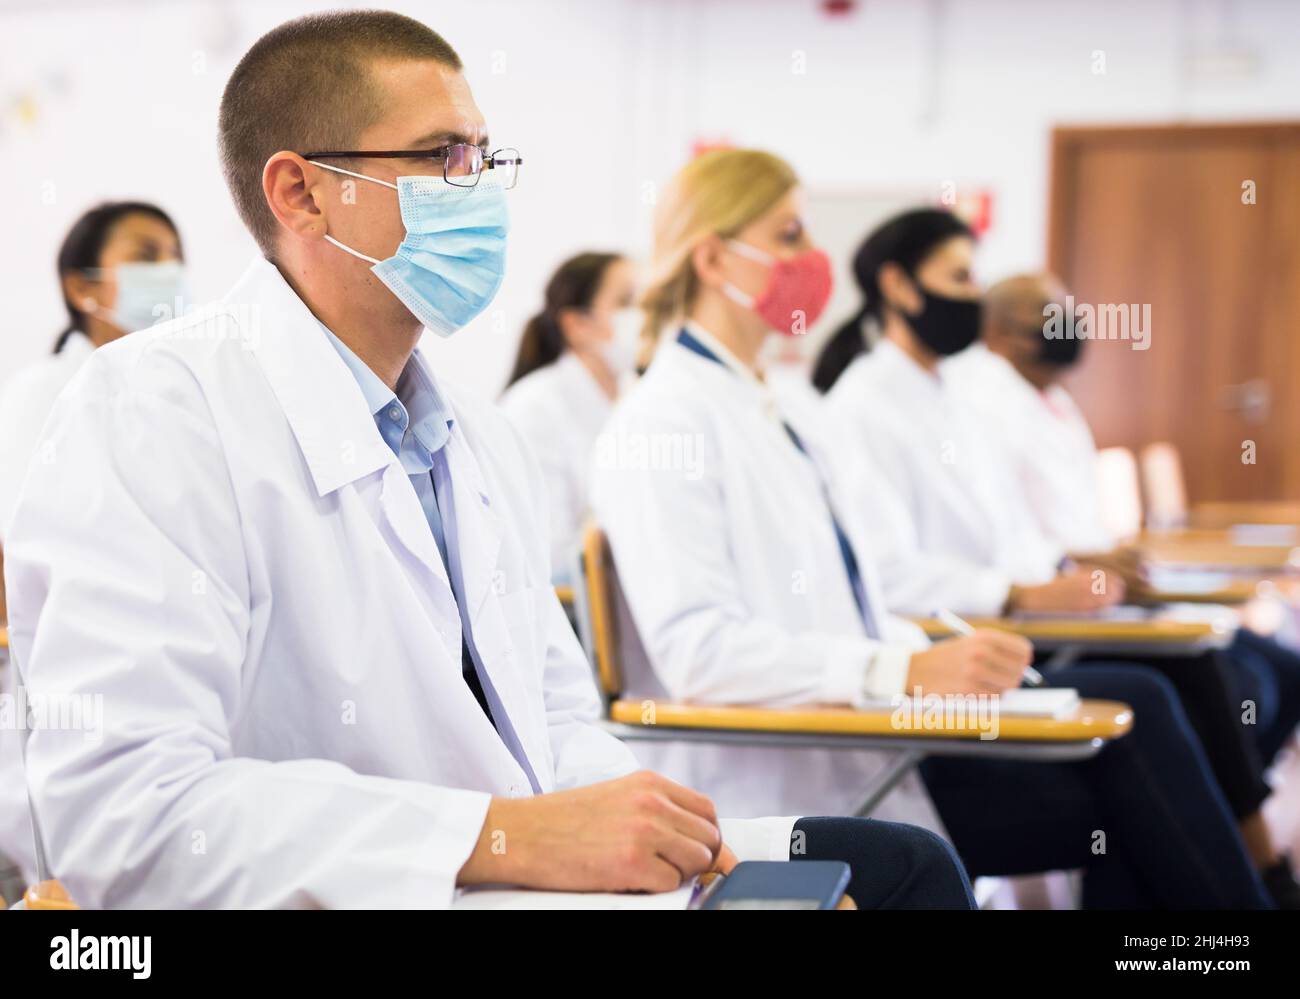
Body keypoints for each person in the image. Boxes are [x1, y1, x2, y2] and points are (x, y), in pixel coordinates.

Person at [3, 10, 973, 910]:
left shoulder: (470, 432)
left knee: (897, 870)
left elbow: (551, 730)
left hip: (513, 880)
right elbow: (127, 815)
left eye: (483, 156)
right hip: (386, 890)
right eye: (442, 157)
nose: (482, 192)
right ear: (300, 193)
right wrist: (503, 838)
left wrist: (667, 847)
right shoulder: (155, 412)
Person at [589, 147, 1276, 908]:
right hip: (789, 770)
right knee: (1138, 762)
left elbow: (861, 597)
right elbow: (698, 652)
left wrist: (952, 659)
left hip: (870, 735)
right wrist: (901, 673)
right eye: (788, 236)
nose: (811, 259)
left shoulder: (783, 403)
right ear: (714, 257)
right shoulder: (661, 423)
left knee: (1134, 738)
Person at [816, 211, 1299, 903]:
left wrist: (1065, 570)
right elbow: (890, 577)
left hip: (999, 627)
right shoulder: (862, 409)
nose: (973, 296)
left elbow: (1012, 535)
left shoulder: (951, 397)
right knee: (1155, 713)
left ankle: (1247, 898)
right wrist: (1021, 593)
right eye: (958, 277)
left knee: (1175, 688)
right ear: (897, 285)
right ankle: (1256, 892)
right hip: (952, 651)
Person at [952, 272, 1300, 768]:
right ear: (1000, 333)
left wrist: (1115, 561)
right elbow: (1007, 540)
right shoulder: (979, 405)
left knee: (1281, 669)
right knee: (1224, 680)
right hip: (1052, 610)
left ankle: (1243, 809)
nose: (1068, 324)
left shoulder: (1054, 400)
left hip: (1100, 592)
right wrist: (1082, 563)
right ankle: (1246, 832)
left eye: (1067, 310)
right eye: (1048, 314)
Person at [0, 200, 185, 893]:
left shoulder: (173, 392)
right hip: (67, 697)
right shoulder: (40, 396)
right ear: (82, 288)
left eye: (174, 252)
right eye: (144, 255)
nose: (169, 270)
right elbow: (28, 564)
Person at [499, 252, 639, 579]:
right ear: (577, 325)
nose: (646, 315)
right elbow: (548, 557)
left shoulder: (634, 400)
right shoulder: (534, 408)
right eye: (628, 302)